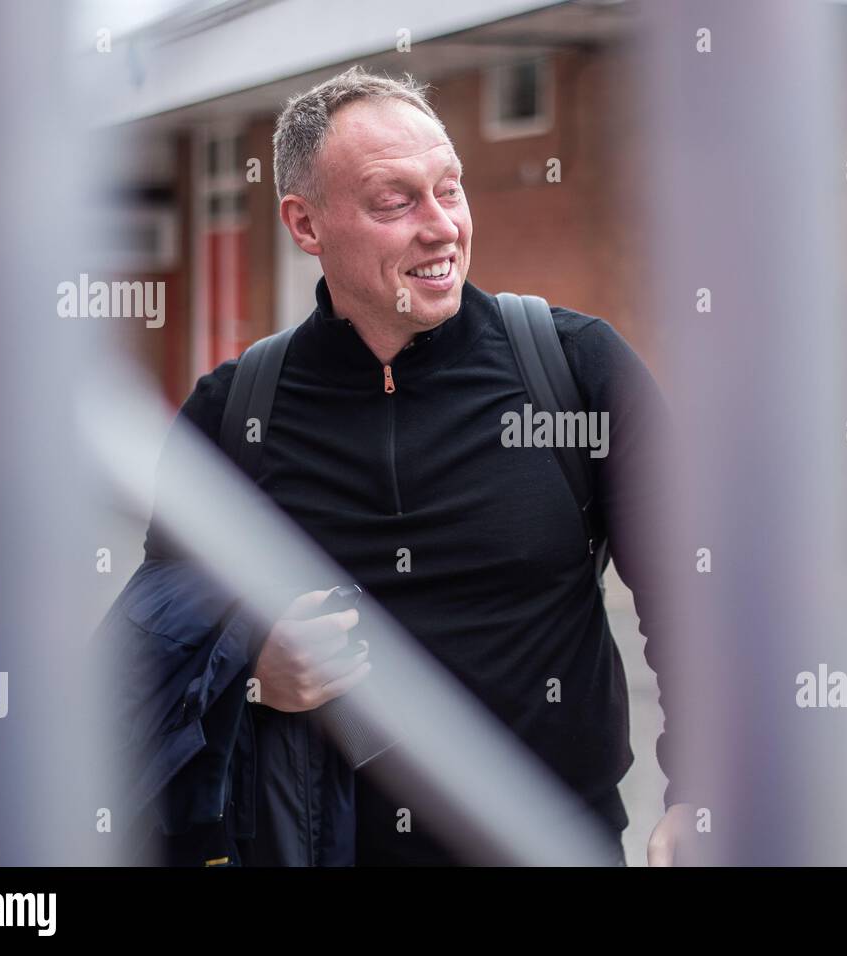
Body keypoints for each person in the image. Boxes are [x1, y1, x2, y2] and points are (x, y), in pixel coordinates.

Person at [113, 65, 694, 866]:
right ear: (306, 225)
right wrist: (251, 672)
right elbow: (156, 652)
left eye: (450, 190)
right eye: (395, 201)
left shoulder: (575, 369)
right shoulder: (234, 411)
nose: (442, 227)